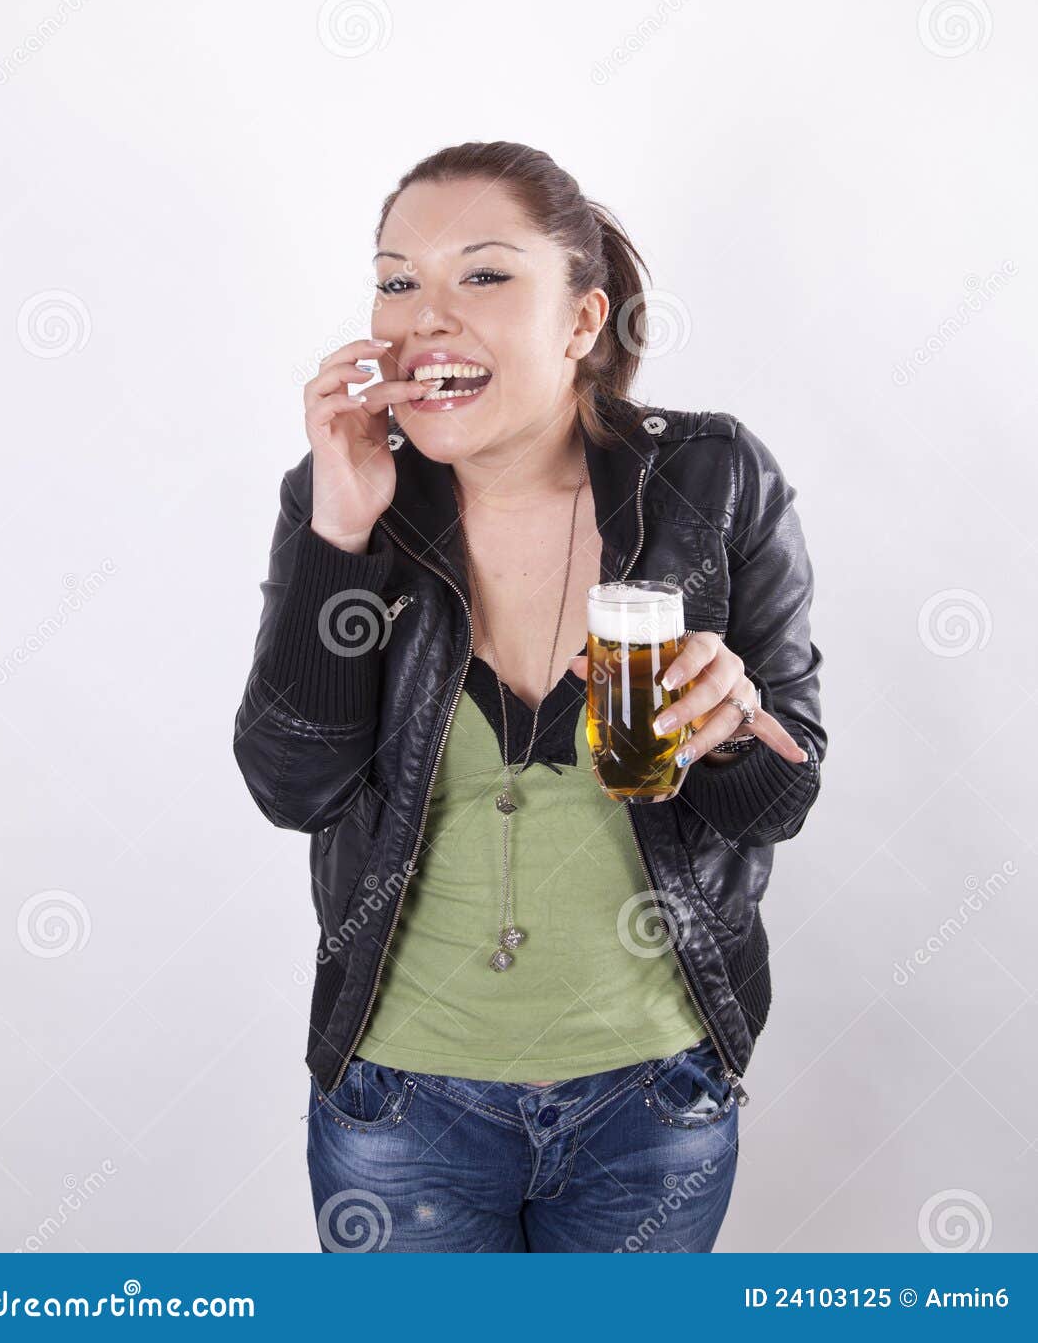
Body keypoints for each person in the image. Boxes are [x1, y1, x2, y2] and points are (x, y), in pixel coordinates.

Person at [233, 140, 827, 1253]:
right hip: (402, 1098)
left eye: (484, 274)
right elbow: (291, 782)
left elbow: (780, 798)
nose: (426, 314)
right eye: (398, 278)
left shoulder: (710, 481)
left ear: (583, 320)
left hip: (652, 1095)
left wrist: (733, 727)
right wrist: (341, 529)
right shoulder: (350, 498)